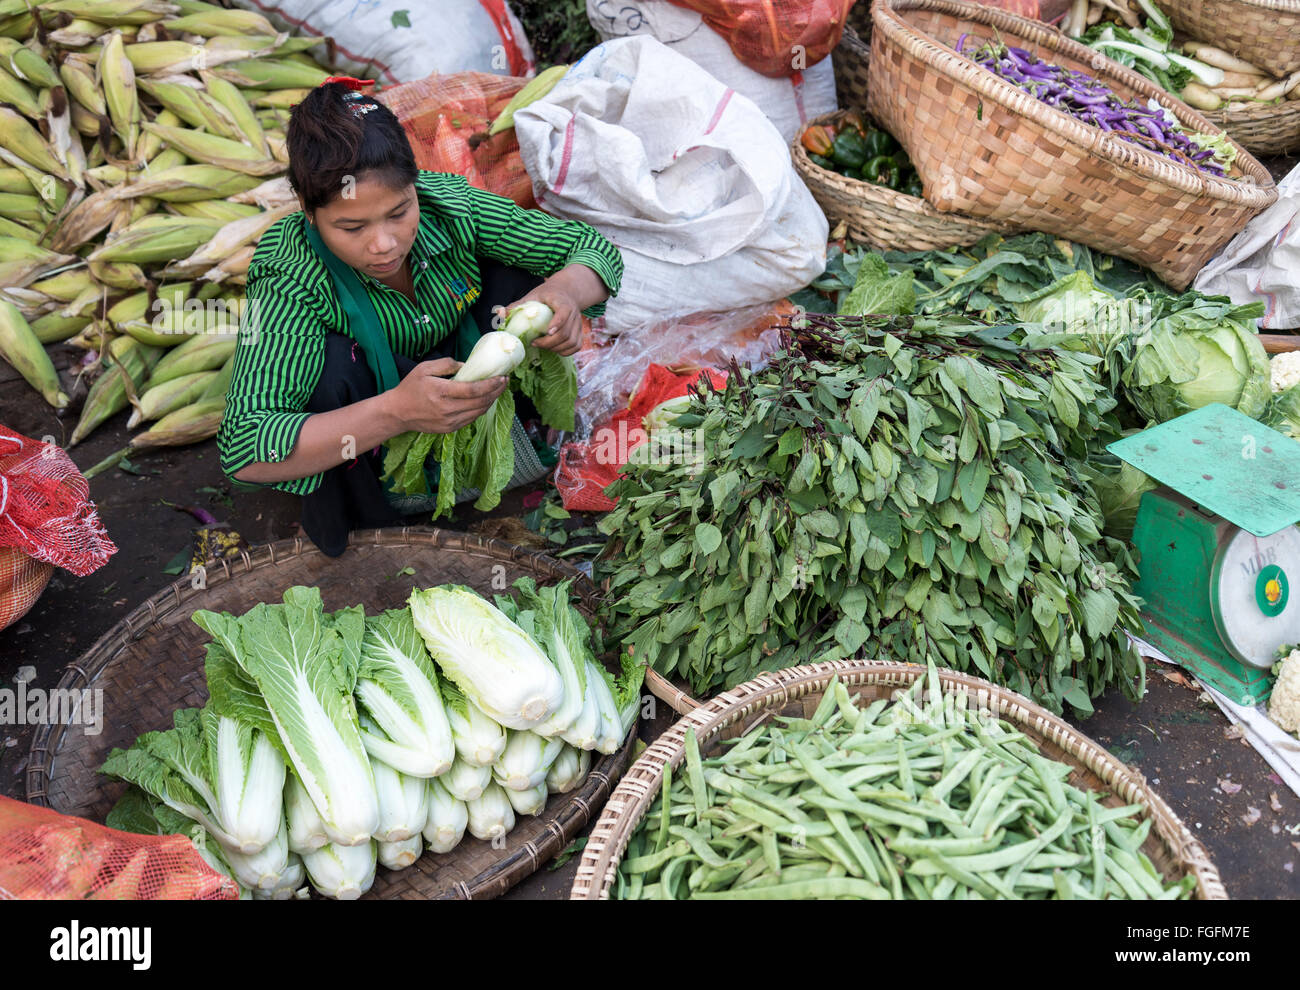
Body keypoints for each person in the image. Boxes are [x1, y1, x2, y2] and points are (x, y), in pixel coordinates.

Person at [217, 79, 623, 556]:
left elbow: (594, 250)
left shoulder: (449, 205)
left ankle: (515, 448)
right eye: (352, 227)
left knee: (520, 281)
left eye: (398, 212)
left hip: (468, 387)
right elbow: (246, 446)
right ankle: (377, 527)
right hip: (363, 440)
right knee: (329, 369)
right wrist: (397, 411)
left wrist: (563, 295)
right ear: (308, 211)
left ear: (415, 186)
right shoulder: (288, 270)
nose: (384, 243)